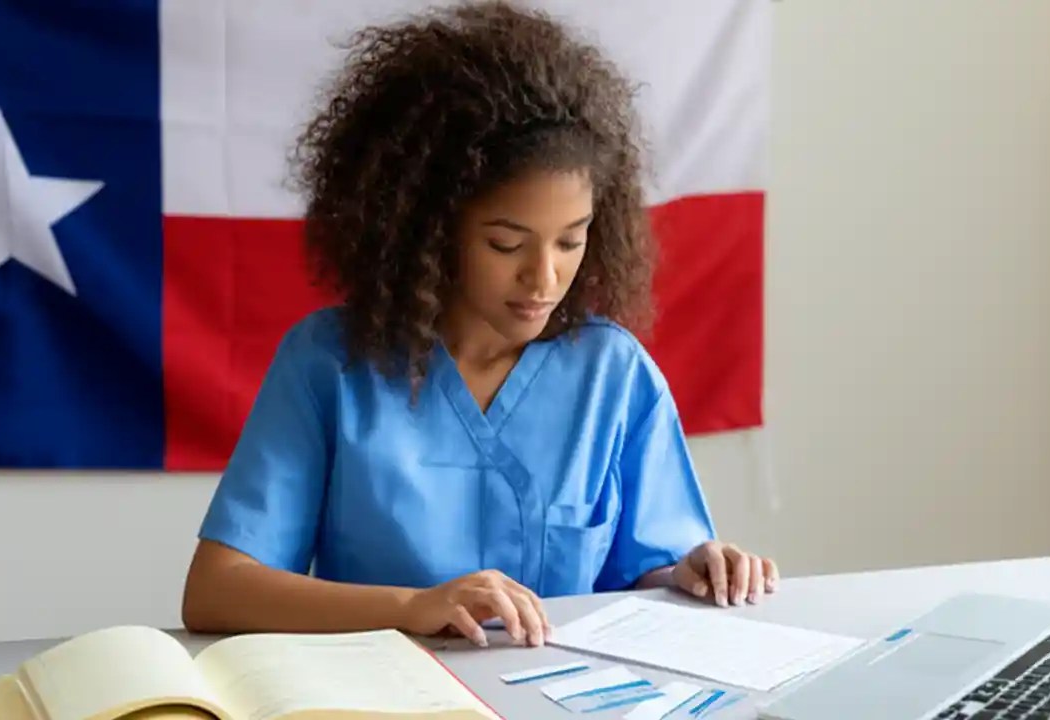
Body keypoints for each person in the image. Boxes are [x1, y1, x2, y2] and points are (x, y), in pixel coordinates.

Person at [180, 0, 778, 649]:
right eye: (505, 244)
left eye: (571, 242)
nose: (543, 279)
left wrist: (687, 573)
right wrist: (412, 607)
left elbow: (642, 572)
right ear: (429, 232)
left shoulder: (614, 374)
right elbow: (216, 590)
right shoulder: (328, 364)